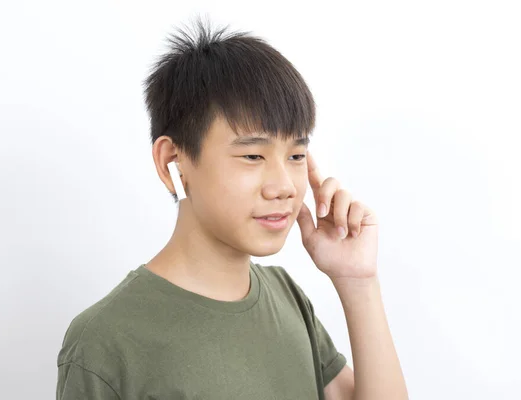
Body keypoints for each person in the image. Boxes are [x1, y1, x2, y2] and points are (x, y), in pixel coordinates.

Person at [56, 16, 407, 400]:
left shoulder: (286, 295)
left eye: (296, 154)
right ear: (173, 159)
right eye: (253, 155)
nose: (284, 186)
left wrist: (358, 283)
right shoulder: (106, 341)